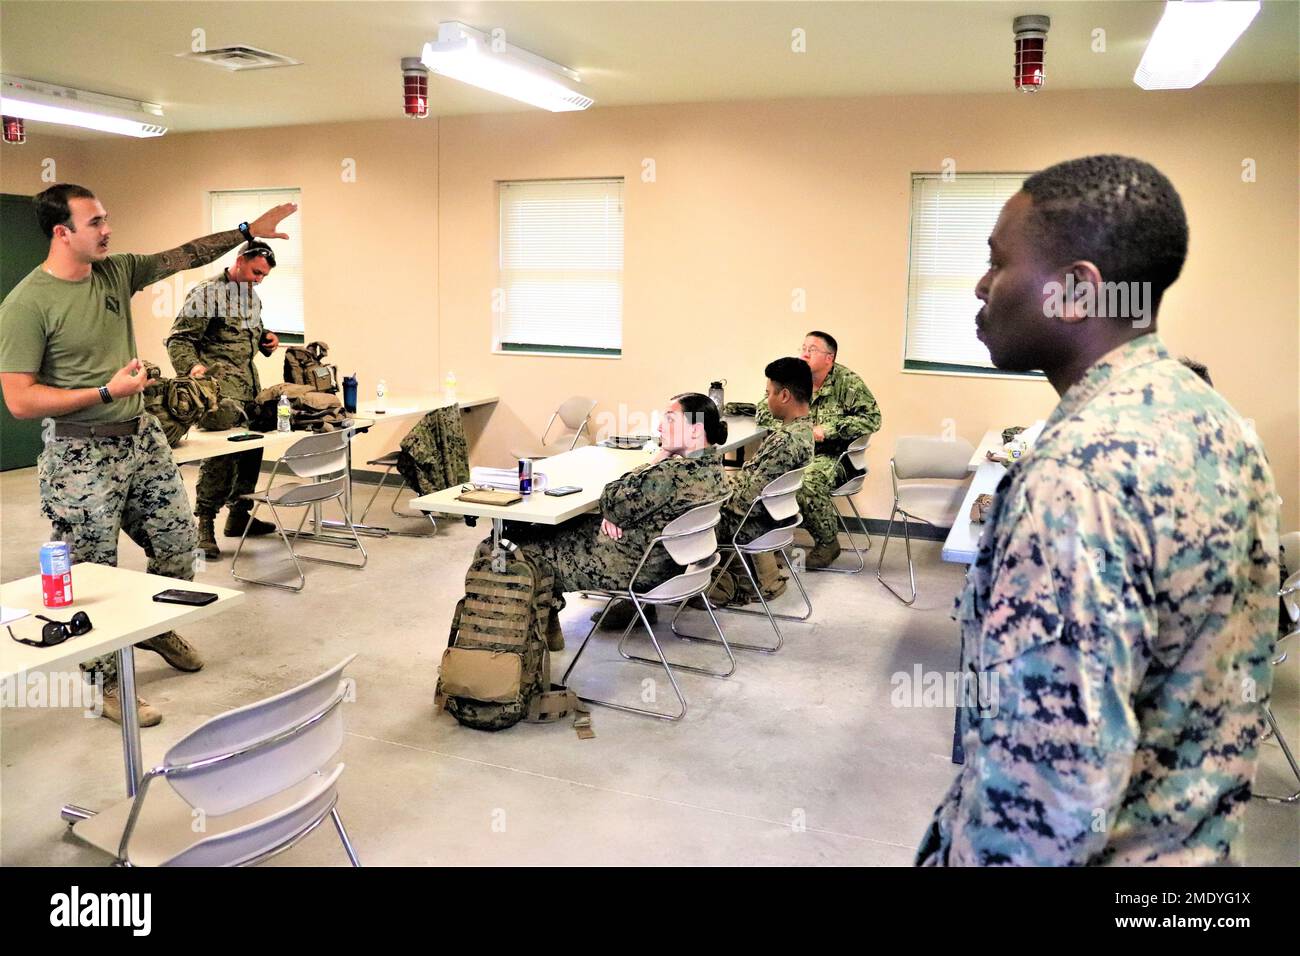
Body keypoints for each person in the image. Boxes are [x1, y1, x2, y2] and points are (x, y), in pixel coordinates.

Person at [916, 155, 1279, 866]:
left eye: (998, 263)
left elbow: (1044, 806)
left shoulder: (1074, 477)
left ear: (1077, 291)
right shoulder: (1215, 422)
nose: (982, 286)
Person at [0, 183, 296, 726]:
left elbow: (183, 255)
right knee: (93, 577)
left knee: (180, 547)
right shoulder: (26, 304)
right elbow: (19, 400)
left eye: (107, 217)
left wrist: (247, 232)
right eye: (95, 222)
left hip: (143, 439)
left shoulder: (116, 271)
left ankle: (155, 626)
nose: (108, 229)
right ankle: (109, 686)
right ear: (62, 232)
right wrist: (106, 392)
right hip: (80, 455)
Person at [502, 393, 728, 641]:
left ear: (695, 431)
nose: (660, 426)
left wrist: (656, 460)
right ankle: (547, 628)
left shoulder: (669, 476)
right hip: (668, 563)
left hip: (631, 567)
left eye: (671, 420)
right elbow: (618, 504)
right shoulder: (714, 469)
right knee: (559, 528)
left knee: (508, 547)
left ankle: (516, 648)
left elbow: (610, 497)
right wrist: (615, 512)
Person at [166, 240, 281, 559]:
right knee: (220, 459)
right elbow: (179, 340)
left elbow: (245, 338)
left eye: (264, 276)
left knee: (250, 452)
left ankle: (239, 515)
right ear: (240, 260)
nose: (259, 279)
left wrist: (265, 341)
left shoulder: (251, 298)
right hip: (217, 395)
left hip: (248, 390)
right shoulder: (206, 294)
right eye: (256, 272)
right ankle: (204, 525)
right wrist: (193, 368)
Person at [755, 331, 880, 568]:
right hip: (794, 451)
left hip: (834, 456)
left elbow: (872, 419)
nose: (803, 353)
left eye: (811, 349)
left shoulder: (847, 382)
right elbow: (763, 411)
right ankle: (766, 545)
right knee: (761, 478)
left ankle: (827, 541)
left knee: (805, 481)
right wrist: (794, 429)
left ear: (828, 358)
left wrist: (829, 430)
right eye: (802, 347)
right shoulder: (793, 378)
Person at [713, 357, 814, 603]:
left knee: (671, 515)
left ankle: (652, 592)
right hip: (770, 520)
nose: (766, 398)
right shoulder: (803, 431)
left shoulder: (784, 442)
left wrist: (710, 501)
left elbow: (745, 503)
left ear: (784, 396)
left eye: (768, 393)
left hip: (750, 524)